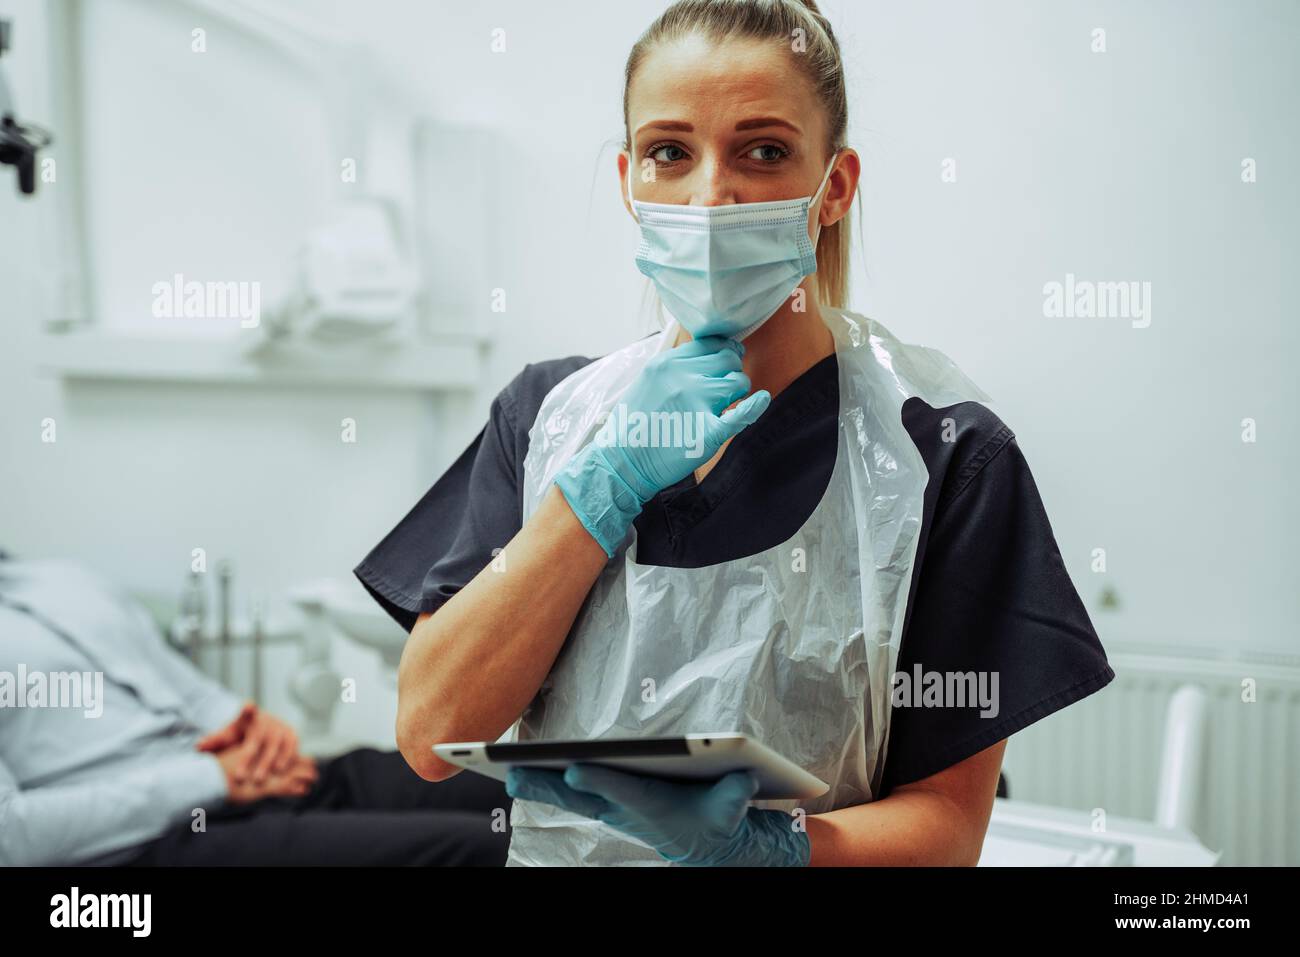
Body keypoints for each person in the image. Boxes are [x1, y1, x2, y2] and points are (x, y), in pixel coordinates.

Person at [355, 0, 1113, 867]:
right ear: (629, 184)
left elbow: (947, 829)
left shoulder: (941, 457)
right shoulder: (546, 417)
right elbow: (431, 729)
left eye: (763, 150)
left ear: (835, 187)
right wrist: (600, 484)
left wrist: (775, 852)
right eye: (669, 152)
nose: (711, 194)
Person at [0, 553, 509, 866]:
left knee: (520, 795)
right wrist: (215, 778)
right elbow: (11, 839)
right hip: (144, 842)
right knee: (476, 848)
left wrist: (251, 729)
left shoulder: (57, 580)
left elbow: (188, 691)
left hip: (260, 780)